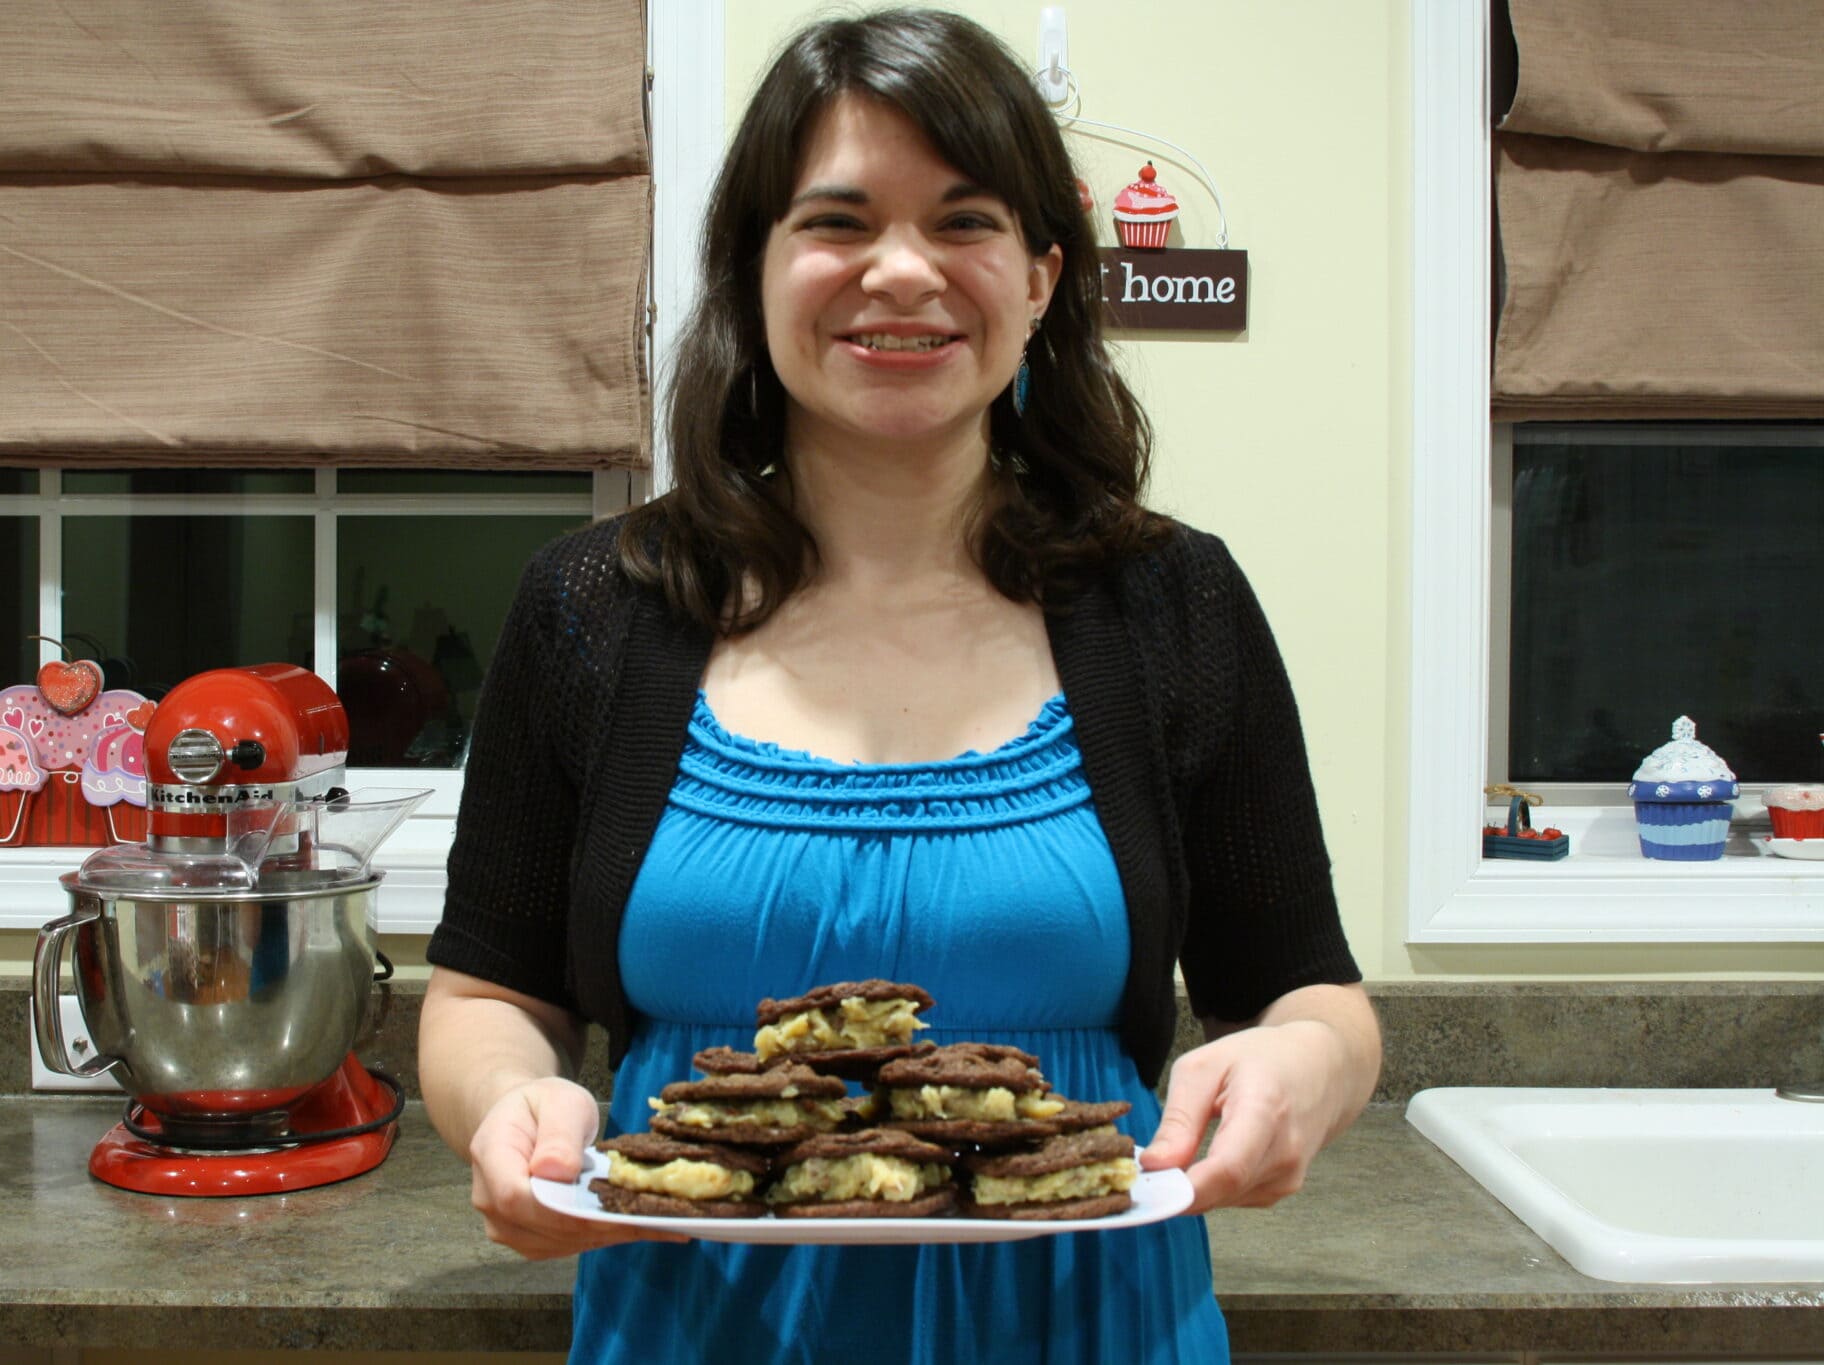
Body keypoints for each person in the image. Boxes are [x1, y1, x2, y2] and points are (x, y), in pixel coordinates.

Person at [418, 9, 1381, 1362]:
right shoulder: (597, 610)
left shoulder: (1173, 604)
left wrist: (1308, 1069)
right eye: (839, 222)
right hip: (695, 1323)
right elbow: (482, 998)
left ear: (1043, 275)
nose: (903, 272)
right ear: (752, 271)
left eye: (966, 221)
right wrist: (512, 1103)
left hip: (1090, 1324)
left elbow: (1310, 994)